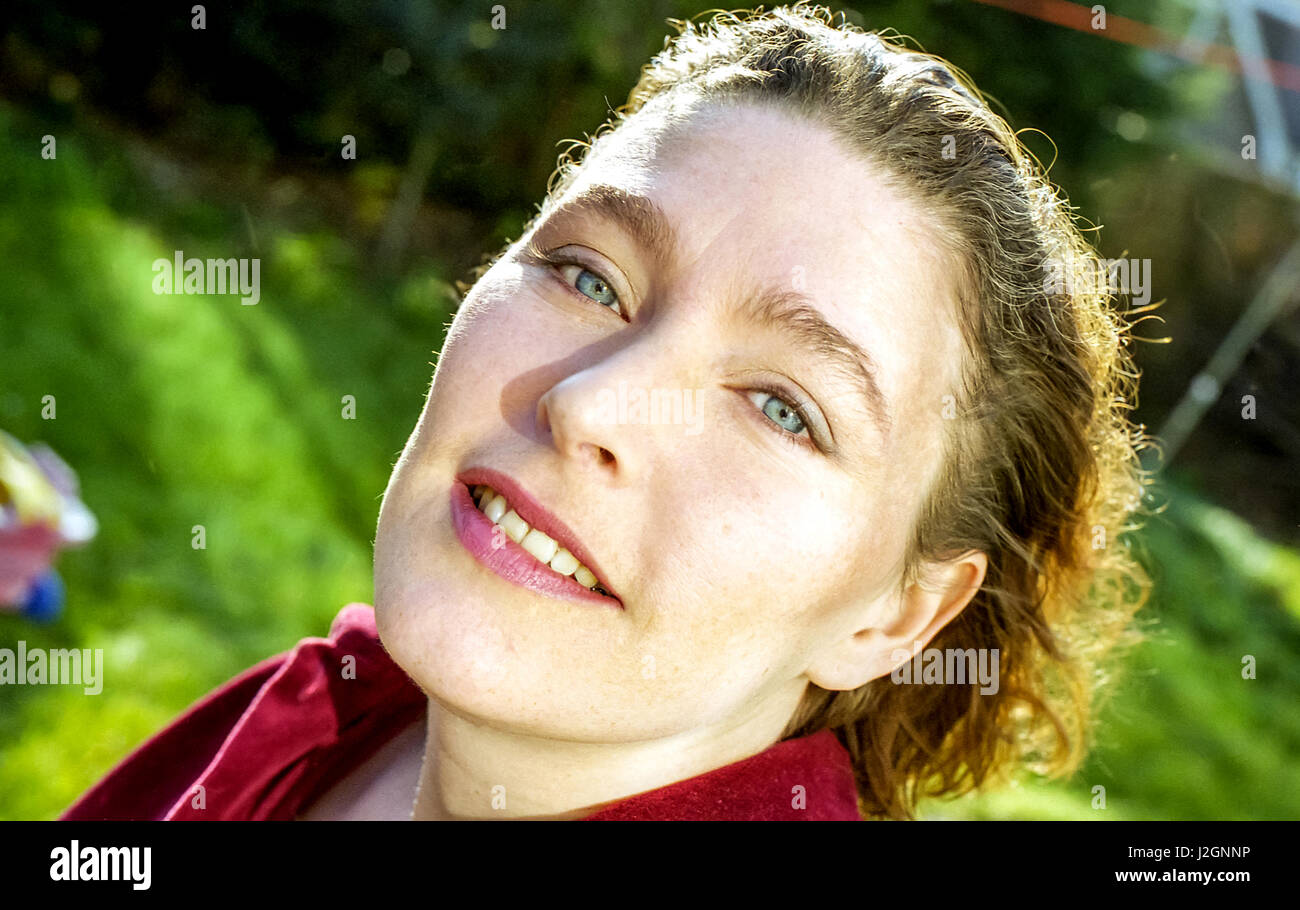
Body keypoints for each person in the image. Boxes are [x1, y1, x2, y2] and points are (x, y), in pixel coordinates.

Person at [63, 3, 1149, 822]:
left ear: (895, 619)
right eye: (589, 277)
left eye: (780, 406)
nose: (590, 402)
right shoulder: (328, 716)